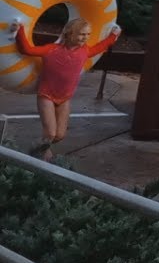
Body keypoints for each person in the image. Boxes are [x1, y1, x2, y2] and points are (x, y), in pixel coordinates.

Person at [12, 18, 121, 161]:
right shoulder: (51, 50)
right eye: (82, 34)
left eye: (88, 34)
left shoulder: (85, 51)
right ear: (69, 33)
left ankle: (37, 148)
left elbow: (103, 45)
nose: (85, 38)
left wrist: (114, 35)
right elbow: (26, 49)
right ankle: (40, 158)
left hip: (65, 98)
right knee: (50, 133)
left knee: (60, 135)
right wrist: (19, 29)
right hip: (47, 96)